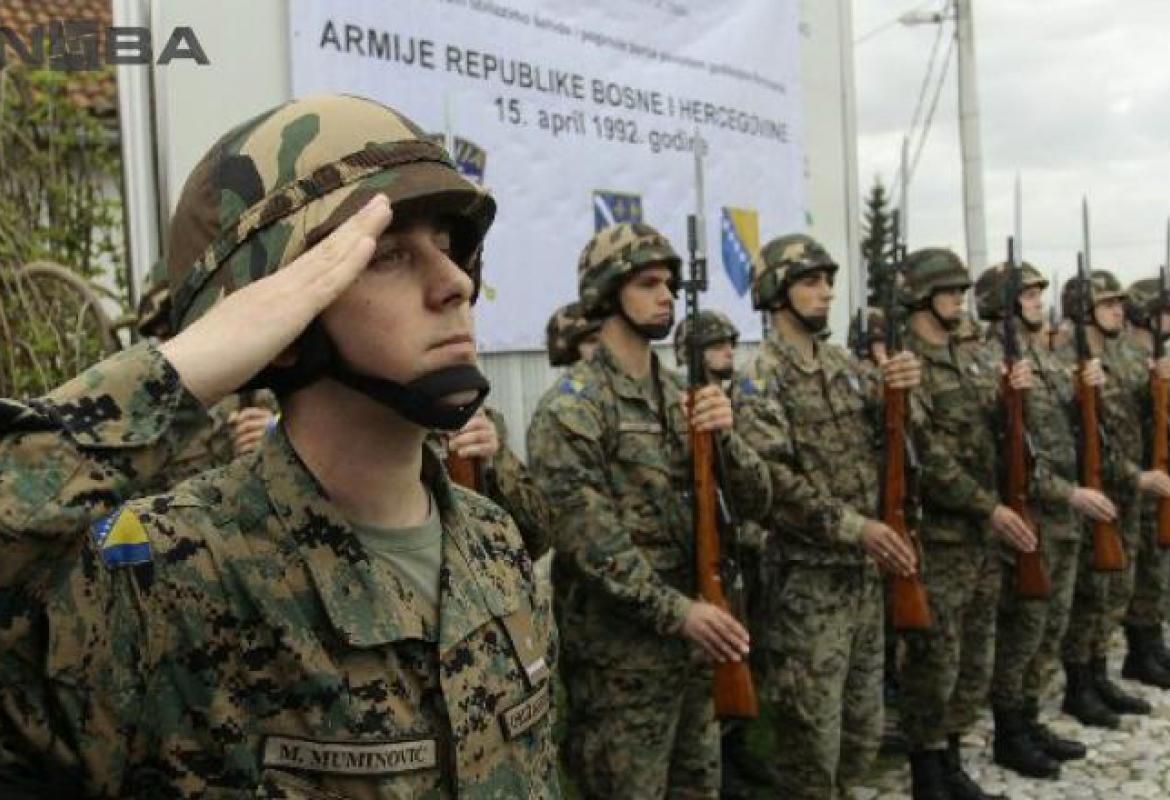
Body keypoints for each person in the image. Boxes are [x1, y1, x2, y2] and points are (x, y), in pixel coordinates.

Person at [0, 94, 558, 798]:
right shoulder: (165, 578)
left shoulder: (494, 544)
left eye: (448, 250)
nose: (455, 285)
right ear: (278, 311)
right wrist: (177, 374)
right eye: (388, 256)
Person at [527, 221, 771, 799]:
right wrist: (679, 613)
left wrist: (726, 439)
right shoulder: (572, 410)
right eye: (648, 283)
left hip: (694, 645)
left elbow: (758, 502)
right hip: (622, 664)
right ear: (607, 294)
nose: (667, 296)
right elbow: (593, 549)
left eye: (670, 283)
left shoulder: (684, 395)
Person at [732, 234, 920, 799]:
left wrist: (904, 394)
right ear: (776, 292)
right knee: (811, 746)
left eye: (829, 281)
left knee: (862, 735)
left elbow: (895, 449)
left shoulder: (844, 367)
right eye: (810, 281)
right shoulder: (760, 375)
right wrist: (854, 527)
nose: (826, 292)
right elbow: (774, 483)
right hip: (805, 585)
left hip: (861, 579)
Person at [896, 248, 1037, 800]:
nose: (959, 299)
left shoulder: (969, 357)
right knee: (935, 661)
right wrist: (990, 507)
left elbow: (998, 436)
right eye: (949, 291)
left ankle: (951, 757)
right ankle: (927, 771)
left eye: (960, 290)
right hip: (941, 540)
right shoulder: (908, 367)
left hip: (980, 539)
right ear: (921, 298)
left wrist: (1013, 397)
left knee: (973, 659)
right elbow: (925, 459)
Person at [974, 262, 1113, 780]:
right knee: (1023, 630)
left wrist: (1090, 384)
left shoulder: (1047, 357)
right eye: (1027, 294)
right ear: (1002, 305)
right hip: (1031, 516)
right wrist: (1066, 492)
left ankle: (1030, 717)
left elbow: (1071, 431)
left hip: (1063, 517)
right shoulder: (993, 361)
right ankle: (1010, 729)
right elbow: (1011, 454)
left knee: (1048, 627)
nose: (1037, 301)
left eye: (1037, 293)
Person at [1058, 271, 1170, 727]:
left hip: (1128, 494)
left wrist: (1159, 381)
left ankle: (1100, 671)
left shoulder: (1125, 354)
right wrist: (1132, 475)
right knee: (1088, 592)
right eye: (1106, 305)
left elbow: (1146, 419)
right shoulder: (1064, 361)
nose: (1118, 311)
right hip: (1092, 493)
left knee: (1113, 589)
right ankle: (1078, 682)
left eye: (1120, 304)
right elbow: (1076, 438)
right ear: (1082, 311)